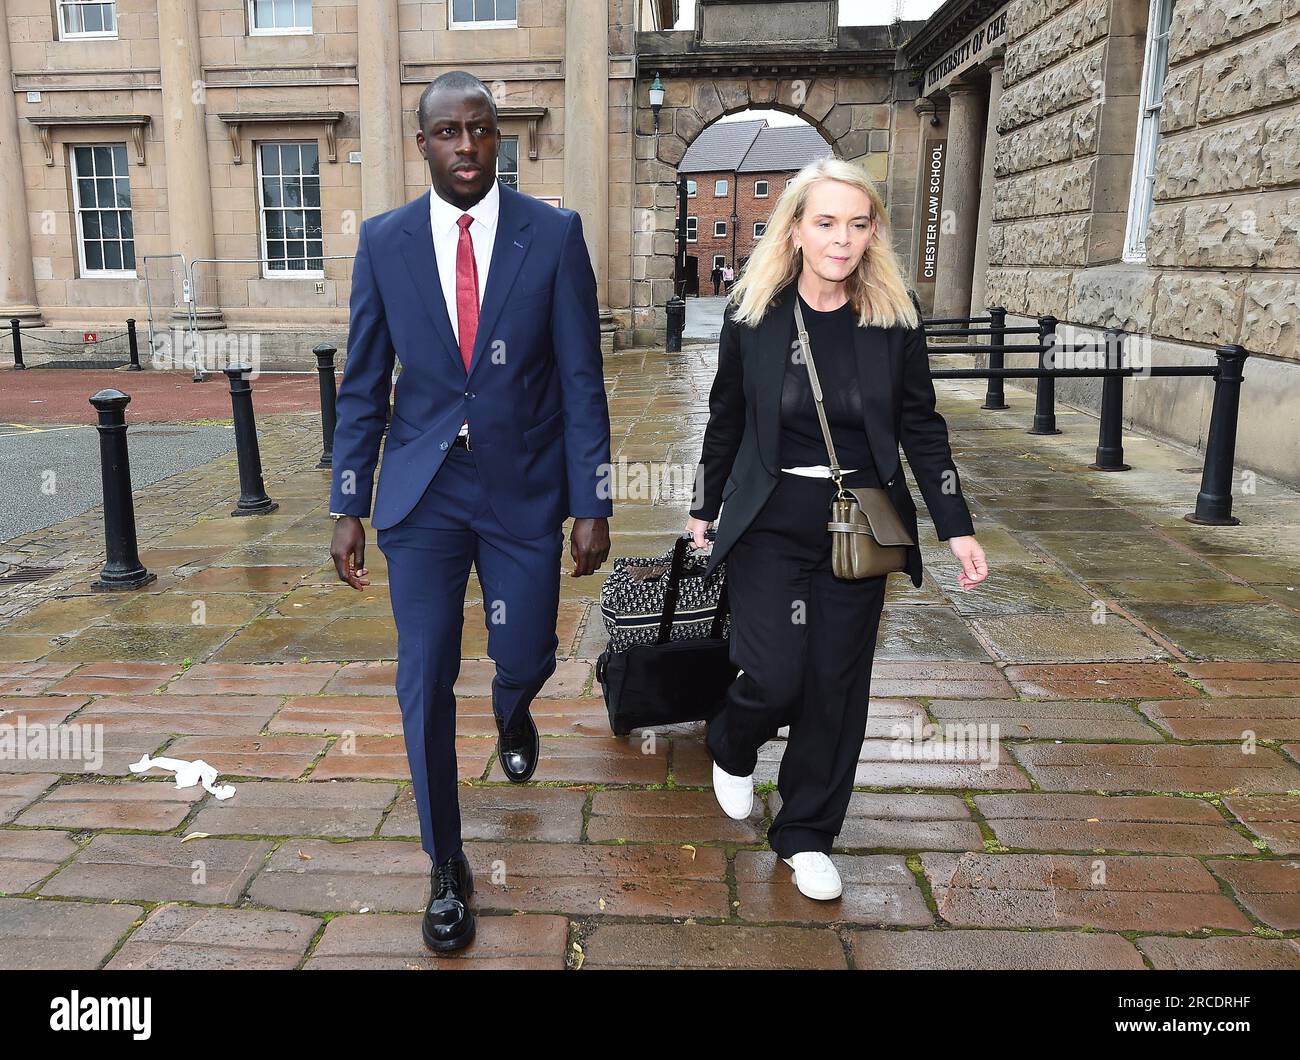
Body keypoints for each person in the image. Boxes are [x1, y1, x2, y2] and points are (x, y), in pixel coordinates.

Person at [328, 71, 612, 953]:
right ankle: (446, 863)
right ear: (422, 145)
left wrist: (591, 497)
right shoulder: (384, 243)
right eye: (447, 133)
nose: (465, 148)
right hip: (421, 494)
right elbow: (364, 383)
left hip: (522, 485)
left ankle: (515, 704)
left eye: (481, 131)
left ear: (501, 140)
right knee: (423, 674)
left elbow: (579, 378)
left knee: (524, 648)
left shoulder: (554, 236)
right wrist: (347, 502)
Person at [685, 156, 988, 902]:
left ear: (873, 232)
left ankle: (806, 833)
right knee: (777, 672)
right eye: (825, 223)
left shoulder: (892, 318)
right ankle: (731, 740)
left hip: (860, 528)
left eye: (857, 224)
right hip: (769, 521)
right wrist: (703, 506)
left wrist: (956, 526)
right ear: (794, 230)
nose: (841, 239)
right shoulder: (752, 316)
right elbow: (725, 417)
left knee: (836, 685)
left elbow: (922, 426)